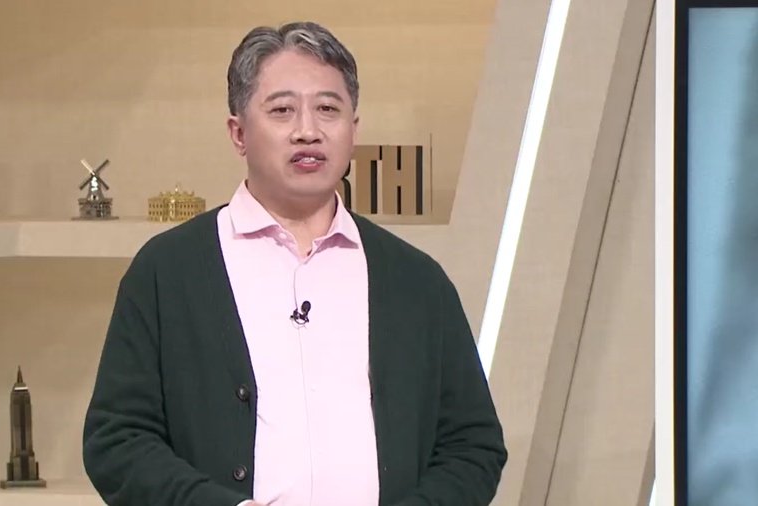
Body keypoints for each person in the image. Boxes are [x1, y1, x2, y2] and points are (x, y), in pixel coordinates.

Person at [82, 21, 507, 506]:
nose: (308, 131)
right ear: (238, 133)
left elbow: (473, 446)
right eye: (282, 110)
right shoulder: (166, 272)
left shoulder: (416, 280)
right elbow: (117, 441)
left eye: (328, 109)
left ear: (353, 129)